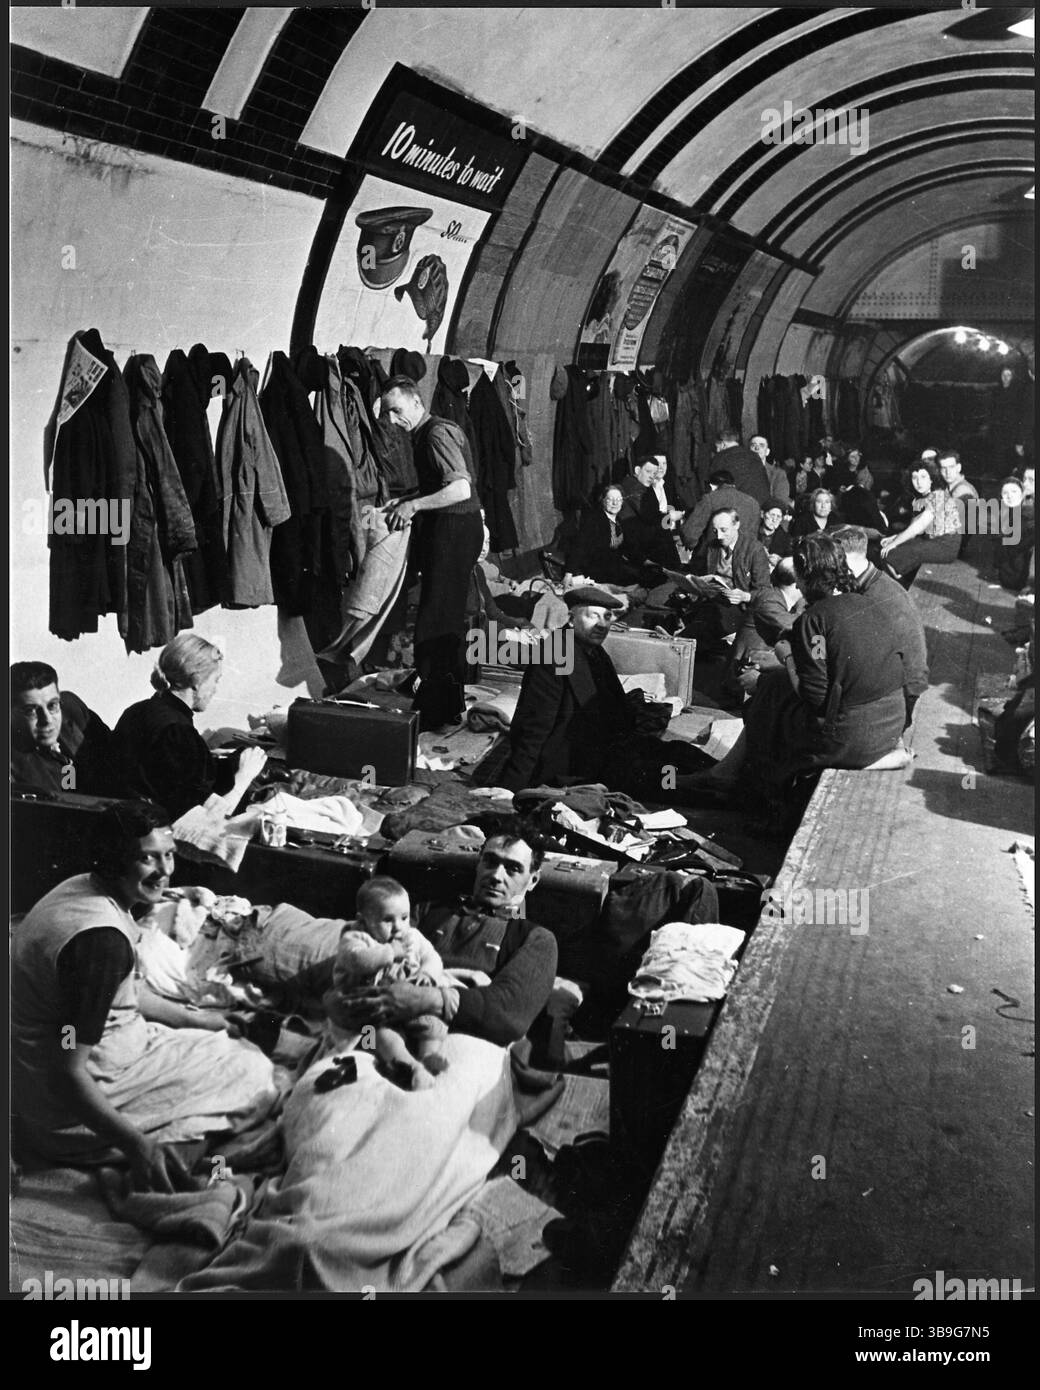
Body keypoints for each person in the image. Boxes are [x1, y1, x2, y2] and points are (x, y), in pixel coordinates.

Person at [11, 801, 277, 1185]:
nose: (166, 871)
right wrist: (137, 1145)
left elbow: (125, 995)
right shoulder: (101, 942)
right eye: (147, 859)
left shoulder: (83, 887)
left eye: (168, 855)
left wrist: (204, 1020)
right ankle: (158, 1160)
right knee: (254, 1073)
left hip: (74, 1062)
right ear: (114, 859)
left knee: (227, 1048)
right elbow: (66, 1071)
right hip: (68, 1101)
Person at [690, 534, 914, 819]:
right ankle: (728, 772)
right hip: (890, 721)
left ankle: (750, 792)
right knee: (774, 684)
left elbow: (815, 699)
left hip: (852, 738)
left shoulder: (815, 619)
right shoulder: (864, 603)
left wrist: (786, 654)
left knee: (775, 707)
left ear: (805, 577)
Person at [336, 820, 558, 1049]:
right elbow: (371, 959)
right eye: (490, 862)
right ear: (478, 864)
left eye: (513, 868)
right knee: (358, 1050)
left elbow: (508, 1013)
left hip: (467, 1040)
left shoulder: (536, 939)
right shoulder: (426, 911)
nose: (496, 876)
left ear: (533, 880)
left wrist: (425, 999)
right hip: (388, 1020)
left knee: (427, 1074)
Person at [497, 587, 709, 796]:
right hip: (575, 767)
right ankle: (706, 787)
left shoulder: (594, 651)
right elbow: (533, 728)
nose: (602, 625)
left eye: (607, 617)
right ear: (571, 619)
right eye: (593, 616)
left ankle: (716, 777)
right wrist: (511, 789)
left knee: (678, 752)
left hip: (607, 751)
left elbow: (616, 708)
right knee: (667, 779)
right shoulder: (553, 657)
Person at [381, 375, 485, 731]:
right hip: (456, 531)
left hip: (453, 532)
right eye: (388, 415)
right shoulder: (429, 431)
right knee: (445, 619)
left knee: (434, 622)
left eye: (396, 411)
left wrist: (414, 507)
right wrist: (409, 498)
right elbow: (440, 484)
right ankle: (447, 704)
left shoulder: (436, 434)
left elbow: (458, 488)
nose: (393, 421)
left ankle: (434, 709)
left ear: (415, 402)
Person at [111, 634, 267, 822]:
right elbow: (204, 819)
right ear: (196, 681)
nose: (216, 689)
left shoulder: (139, 710)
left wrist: (230, 763)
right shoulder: (177, 732)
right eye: (215, 680)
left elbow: (177, 776)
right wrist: (244, 776)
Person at [326, 877, 454, 1090]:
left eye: (404, 917)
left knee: (433, 1023)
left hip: (407, 1001)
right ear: (364, 920)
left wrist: (427, 973)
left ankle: (429, 1056)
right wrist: (390, 952)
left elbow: (434, 957)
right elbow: (359, 961)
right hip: (369, 1008)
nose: (398, 927)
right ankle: (409, 1066)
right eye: (388, 920)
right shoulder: (355, 938)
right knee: (380, 1037)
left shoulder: (412, 936)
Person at [834, 525, 928, 737]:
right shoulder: (878, 582)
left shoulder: (872, 598)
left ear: (845, 560)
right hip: (905, 685)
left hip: (900, 696)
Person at [669, 509, 772, 649]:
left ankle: (678, 643)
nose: (719, 536)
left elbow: (765, 591)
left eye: (724, 530)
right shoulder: (712, 546)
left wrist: (745, 596)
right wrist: (692, 586)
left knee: (706, 621)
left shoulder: (754, 549)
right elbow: (700, 574)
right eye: (715, 530)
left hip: (739, 608)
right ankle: (679, 642)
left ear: (737, 525)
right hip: (711, 601)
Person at [11, 661, 113, 795]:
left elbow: (117, 754)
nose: (47, 720)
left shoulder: (73, 709)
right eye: (31, 711)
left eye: (52, 705)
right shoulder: (13, 767)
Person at [727, 556, 806, 701]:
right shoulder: (770, 602)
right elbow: (797, 631)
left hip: (760, 664)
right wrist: (804, 608)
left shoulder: (774, 596)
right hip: (745, 676)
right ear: (797, 583)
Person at [880, 460, 963, 583]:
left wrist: (895, 542)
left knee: (892, 555)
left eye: (923, 477)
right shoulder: (921, 499)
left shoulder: (938, 495)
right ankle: (901, 582)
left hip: (946, 545)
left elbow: (918, 527)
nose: (919, 482)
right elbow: (914, 527)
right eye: (914, 478)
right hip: (932, 541)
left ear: (932, 479)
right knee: (890, 551)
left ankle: (900, 586)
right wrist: (895, 537)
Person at [566, 482, 645, 586]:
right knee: (637, 580)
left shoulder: (619, 521)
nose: (615, 503)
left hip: (615, 565)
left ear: (622, 502)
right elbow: (579, 546)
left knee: (648, 574)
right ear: (603, 500)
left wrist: (646, 561)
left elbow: (629, 548)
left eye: (618, 500)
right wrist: (569, 574)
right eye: (610, 499)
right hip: (597, 569)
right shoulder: (593, 520)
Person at [617, 455, 681, 568]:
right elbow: (649, 516)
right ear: (637, 470)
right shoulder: (633, 488)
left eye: (654, 473)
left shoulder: (641, 487)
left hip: (639, 537)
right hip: (635, 540)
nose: (652, 476)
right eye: (648, 471)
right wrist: (669, 517)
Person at [680, 468, 761, 555]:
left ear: (712, 486)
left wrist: (692, 547)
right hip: (745, 559)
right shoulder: (753, 503)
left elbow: (689, 534)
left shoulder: (710, 499)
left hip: (713, 558)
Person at [705, 428, 772, 506]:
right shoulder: (755, 456)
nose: (717, 450)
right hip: (760, 506)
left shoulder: (720, 457)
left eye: (717, 447)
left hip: (735, 507)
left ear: (723, 444)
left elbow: (713, 487)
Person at [995, 475, 1034, 593]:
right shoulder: (1024, 509)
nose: (1025, 483)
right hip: (1016, 576)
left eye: (1031, 480)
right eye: (1024, 479)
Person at [750, 435, 791, 506]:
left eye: (761, 445)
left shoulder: (778, 474)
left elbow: (781, 502)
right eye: (753, 445)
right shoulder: (740, 471)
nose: (757, 448)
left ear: (767, 452)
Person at [758, 499, 793, 563]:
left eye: (778, 517)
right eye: (772, 515)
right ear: (762, 514)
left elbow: (790, 563)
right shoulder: (752, 533)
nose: (774, 520)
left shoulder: (786, 539)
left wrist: (780, 561)